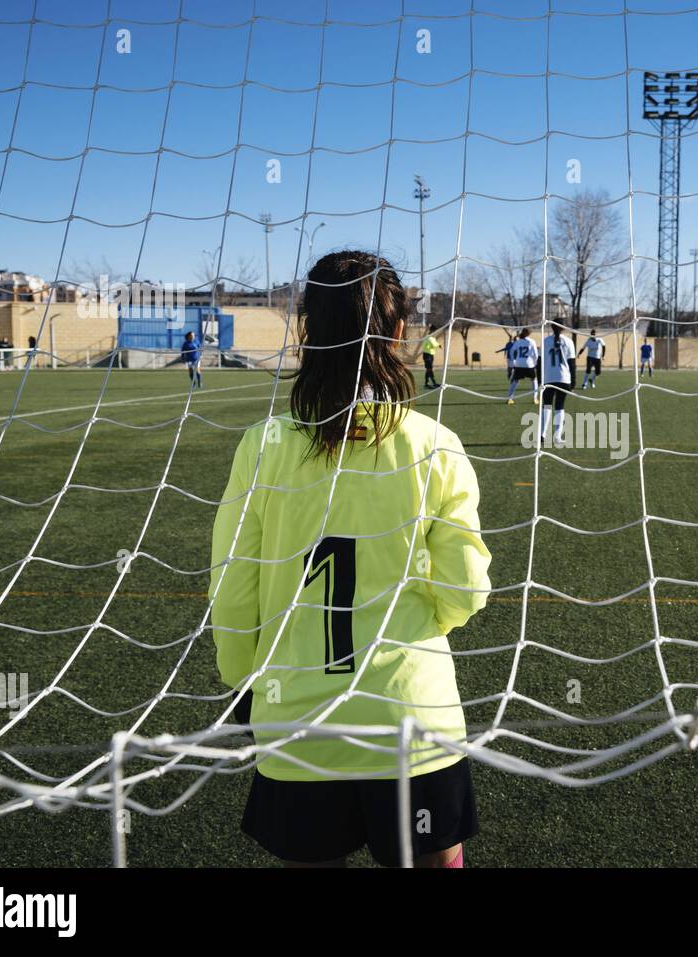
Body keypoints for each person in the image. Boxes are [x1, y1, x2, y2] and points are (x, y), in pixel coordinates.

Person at [210, 250, 490, 869]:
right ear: (396, 332)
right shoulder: (434, 445)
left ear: (308, 330)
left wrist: (244, 681)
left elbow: (233, 593)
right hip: (411, 720)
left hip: (298, 720)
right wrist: (410, 633)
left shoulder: (262, 448)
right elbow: (467, 592)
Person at [541, 322, 575, 446]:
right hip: (564, 378)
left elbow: (540, 362)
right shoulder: (569, 342)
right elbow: (572, 364)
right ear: (563, 327)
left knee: (547, 406)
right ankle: (557, 437)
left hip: (548, 378)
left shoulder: (545, 341)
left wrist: (540, 380)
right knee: (560, 406)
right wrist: (573, 382)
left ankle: (542, 435)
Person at [506, 328, 538, 405]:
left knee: (515, 381)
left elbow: (511, 351)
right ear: (528, 333)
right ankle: (535, 398)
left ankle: (510, 398)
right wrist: (534, 362)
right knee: (534, 380)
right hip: (529, 364)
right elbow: (536, 354)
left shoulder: (518, 341)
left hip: (519, 364)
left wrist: (513, 360)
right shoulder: (532, 341)